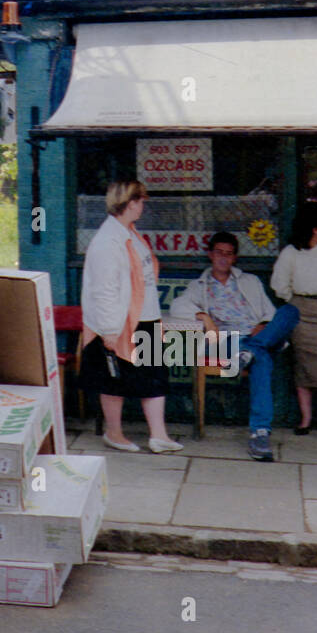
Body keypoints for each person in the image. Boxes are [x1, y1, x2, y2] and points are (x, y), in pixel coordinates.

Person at [170, 231, 299, 461]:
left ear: (234, 258)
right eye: (219, 253)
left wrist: (262, 325)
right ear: (210, 255)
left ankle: (250, 350)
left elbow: (269, 314)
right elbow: (177, 306)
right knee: (262, 359)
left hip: (255, 334)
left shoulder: (250, 281)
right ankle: (260, 434)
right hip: (227, 340)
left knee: (290, 311)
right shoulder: (199, 285)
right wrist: (203, 317)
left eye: (229, 254)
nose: (223, 258)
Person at [81, 180, 183, 454]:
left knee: (154, 376)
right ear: (129, 203)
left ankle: (159, 435)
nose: (143, 206)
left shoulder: (130, 233)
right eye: (140, 201)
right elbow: (104, 290)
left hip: (146, 317)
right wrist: (110, 330)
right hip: (122, 322)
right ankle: (114, 433)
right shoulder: (107, 240)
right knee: (114, 378)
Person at [270, 203, 317, 435]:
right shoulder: (291, 253)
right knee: (304, 366)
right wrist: (295, 300)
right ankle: (306, 419)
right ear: (314, 228)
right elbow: (279, 284)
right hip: (302, 311)